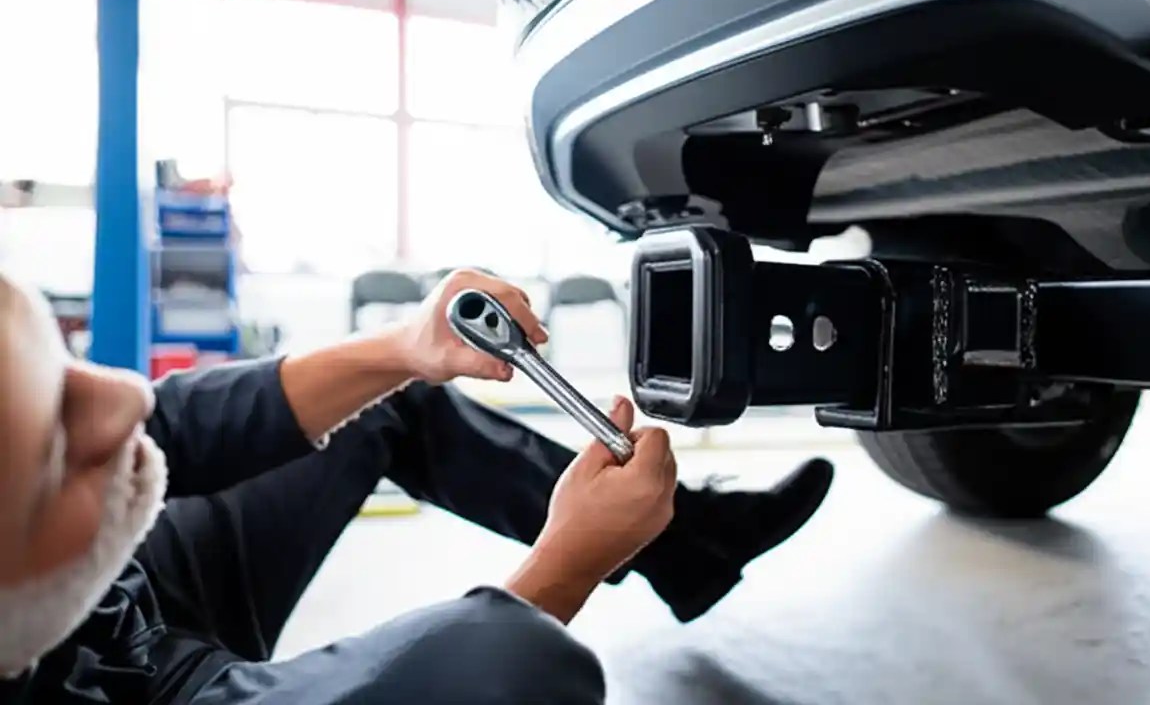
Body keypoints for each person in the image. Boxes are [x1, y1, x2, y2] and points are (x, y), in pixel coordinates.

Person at [0, 268, 833, 704]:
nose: (125, 397)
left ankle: (686, 543)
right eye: (57, 436)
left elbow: (172, 425)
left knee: (380, 401)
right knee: (499, 663)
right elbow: (485, 678)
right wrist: (569, 563)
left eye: (69, 371)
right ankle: (669, 542)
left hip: (114, 594)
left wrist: (405, 347)